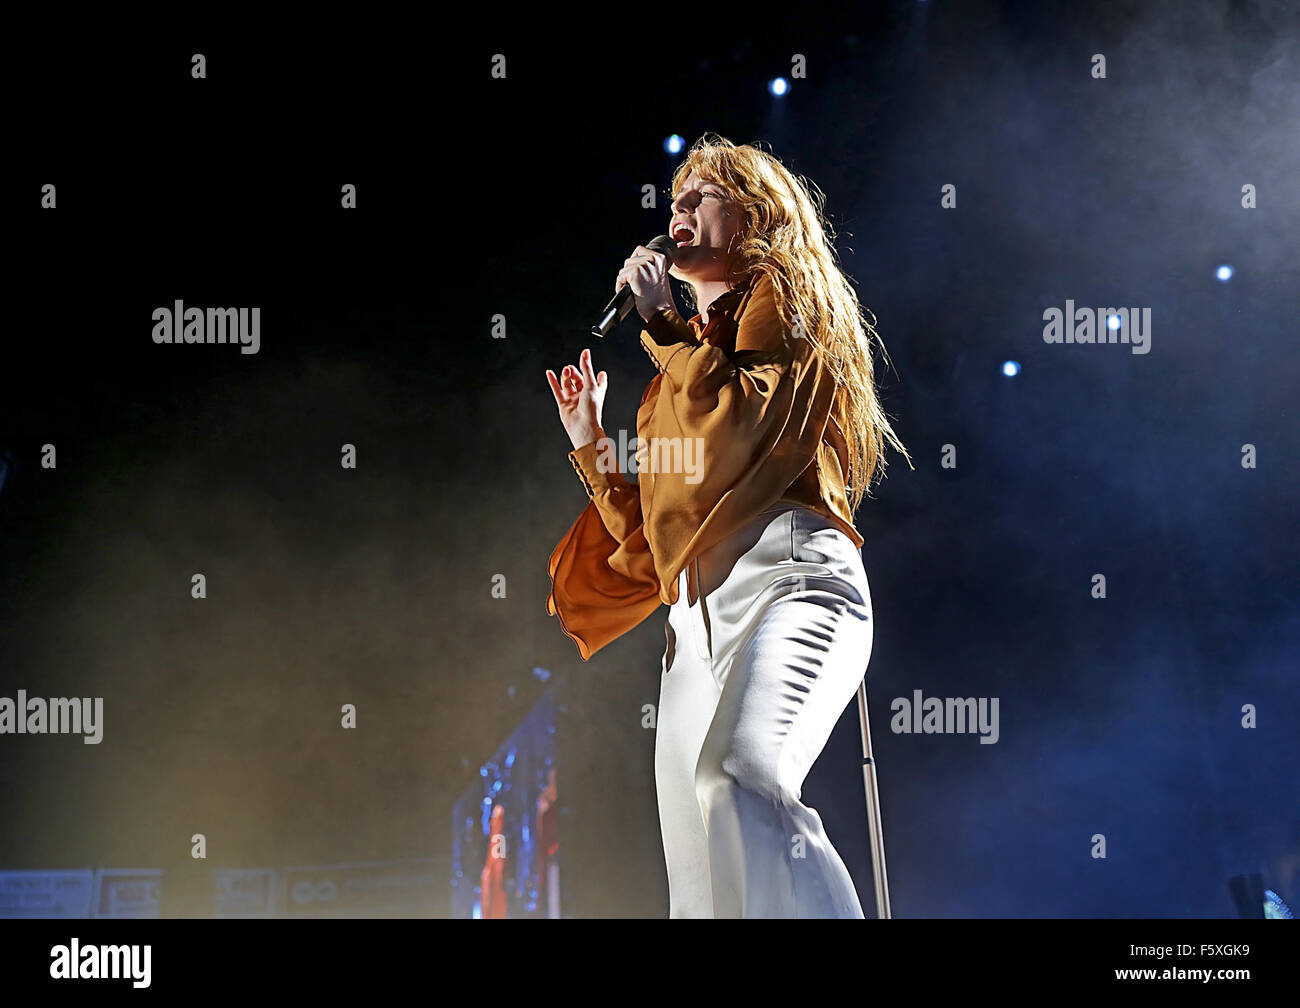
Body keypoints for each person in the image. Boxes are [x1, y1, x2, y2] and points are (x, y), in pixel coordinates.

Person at [545, 134, 911, 918]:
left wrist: (658, 319)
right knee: (700, 886)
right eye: (671, 200)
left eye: (698, 196)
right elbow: (649, 548)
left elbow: (741, 416)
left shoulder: (783, 296)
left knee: (739, 782)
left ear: (754, 214)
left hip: (791, 581)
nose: (675, 212)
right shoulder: (673, 376)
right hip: (692, 627)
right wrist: (589, 446)